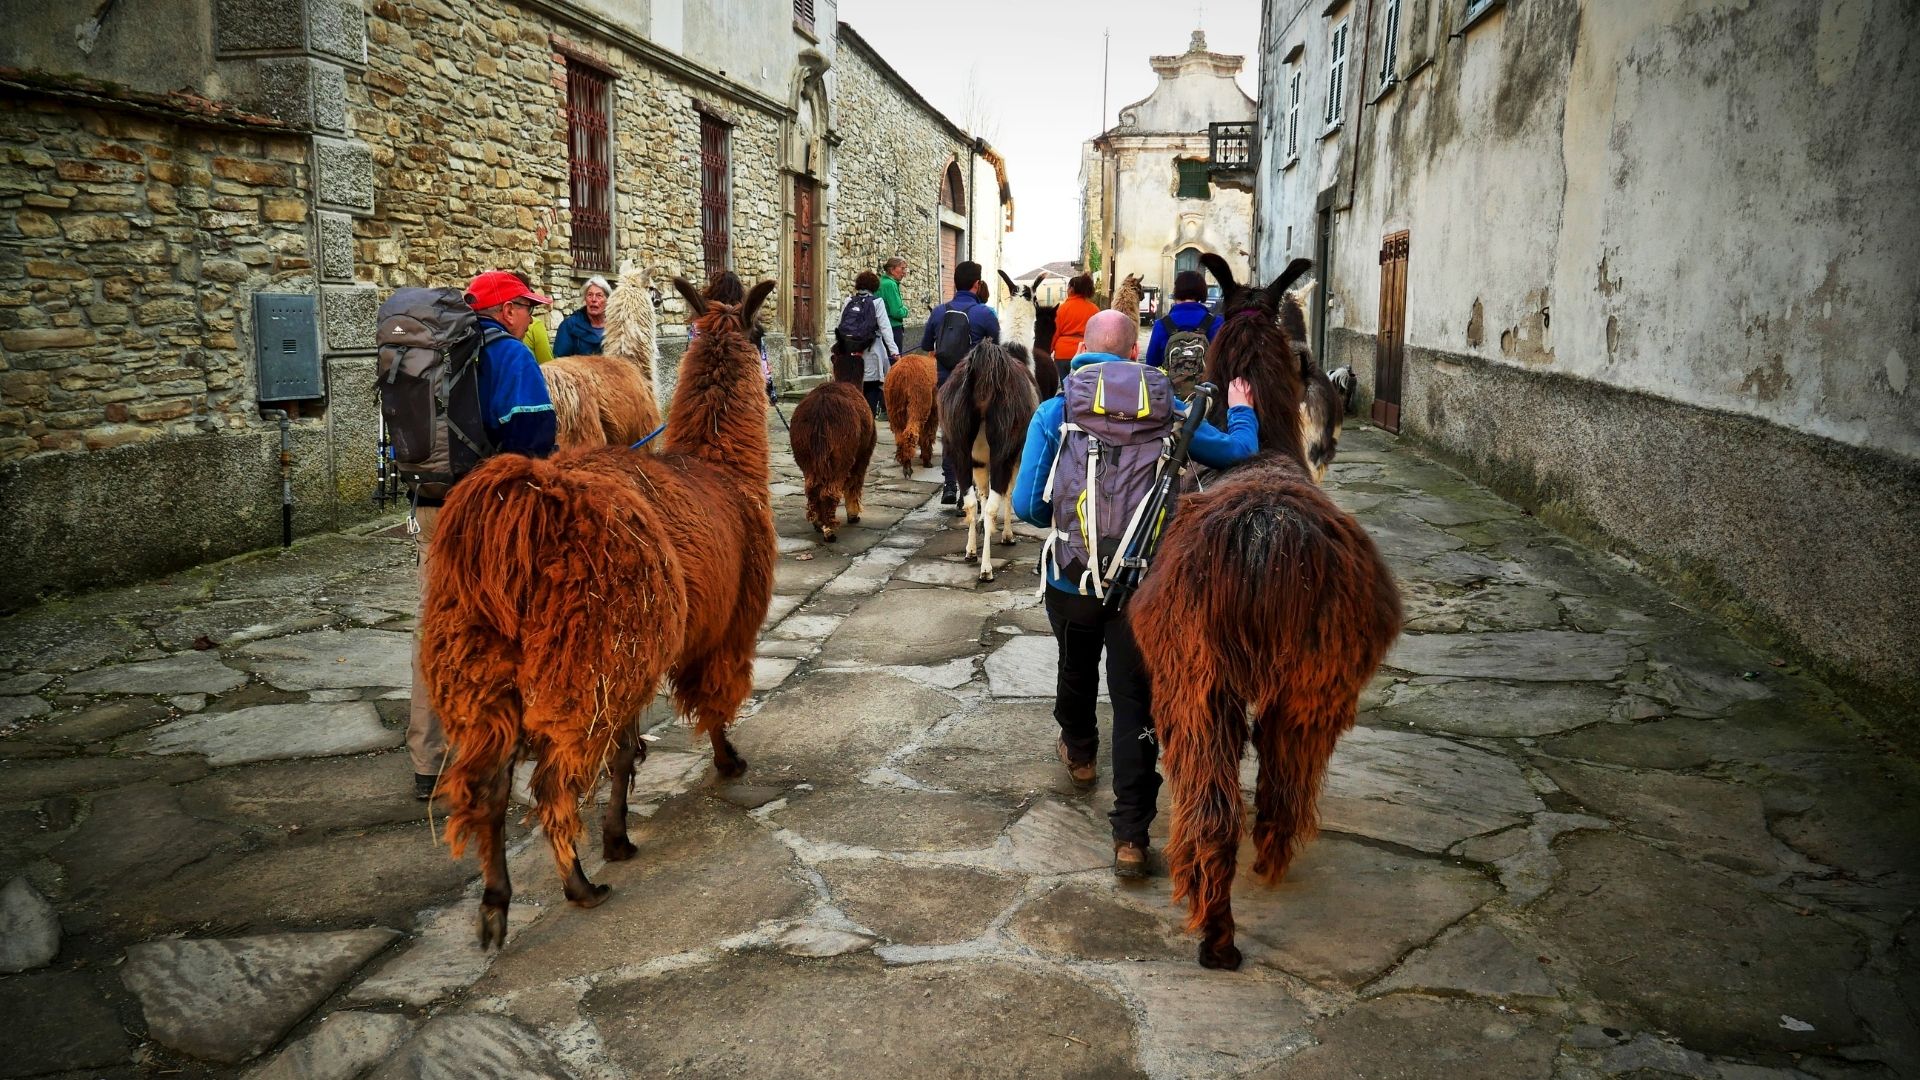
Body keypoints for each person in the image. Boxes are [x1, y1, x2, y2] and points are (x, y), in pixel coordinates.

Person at [1010, 309, 1260, 877]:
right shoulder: (1169, 407)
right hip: (1145, 589)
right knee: (1134, 702)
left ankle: (1077, 751)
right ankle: (1130, 838)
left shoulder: (1057, 410)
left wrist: (1073, 524)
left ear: (1086, 348)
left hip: (1070, 579)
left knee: (1075, 668)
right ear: (1133, 351)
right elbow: (1241, 455)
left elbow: (1026, 505)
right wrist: (1243, 409)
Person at [410, 270, 559, 799]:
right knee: (510, 620)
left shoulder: (431, 352)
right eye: (527, 308)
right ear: (505, 310)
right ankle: (503, 739)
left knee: (439, 624)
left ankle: (429, 759)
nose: (532, 318)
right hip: (487, 514)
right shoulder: (510, 356)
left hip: (430, 503)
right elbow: (535, 437)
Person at [919, 260, 1001, 504]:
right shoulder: (984, 314)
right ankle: (969, 491)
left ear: (955, 283)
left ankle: (950, 485)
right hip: (976, 387)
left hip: (946, 386)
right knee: (975, 438)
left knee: (951, 435)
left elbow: (925, 346)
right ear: (977, 284)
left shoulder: (938, 312)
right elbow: (999, 347)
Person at [844, 270, 898, 415]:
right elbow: (886, 329)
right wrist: (894, 351)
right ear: (874, 286)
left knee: (854, 392)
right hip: (872, 354)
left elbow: (839, 328)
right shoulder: (877, 302)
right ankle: (869, 421)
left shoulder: (848, 301)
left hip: (851, 356)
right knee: (871, 392)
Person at [1143, 269, 1223, 368]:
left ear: (1176, 291)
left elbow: (1151, 364)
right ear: (1203, 291)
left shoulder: (1161, 324)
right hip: (1207, 383)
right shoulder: (1217, 323)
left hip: (1168, 383)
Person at [1049, 274, 1100, 383]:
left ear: (1071, 289)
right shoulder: (1094, 310)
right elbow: (1098, 335)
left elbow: (1054, 333)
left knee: (1066, 388)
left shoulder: (1061, 309)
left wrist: (1049, 350)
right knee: (1085, 387)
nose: (1067, 290)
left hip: (1063, 355)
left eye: (1068, 287)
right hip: (1085, 354)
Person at [552, 275, 611, 358]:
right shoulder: (569, 325)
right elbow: (560, 360)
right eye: (590, 295)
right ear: (585, 299)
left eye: (599, 295)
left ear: (607, 300)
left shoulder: (615, 326)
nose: (593, 299)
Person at [509, 271, 554, 363]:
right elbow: (548, 366)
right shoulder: (536, 326)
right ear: (509, 310)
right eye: (528, 309)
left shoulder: (483, 336)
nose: (530, 320)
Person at [877, 256, 910, 354]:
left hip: (879, 329)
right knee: (894, 362)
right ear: (892, 270)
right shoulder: (890, 284)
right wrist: (906, 310)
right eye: (902, 268)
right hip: (893, 328)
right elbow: (897, 312)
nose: (904, 273)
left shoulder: (881, 282)